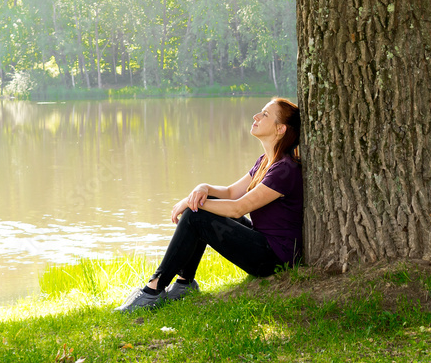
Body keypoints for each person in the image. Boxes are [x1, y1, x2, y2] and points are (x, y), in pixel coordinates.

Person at [114, 97, 303, 312]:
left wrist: (190, 202)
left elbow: (238, 208)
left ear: (280, 129)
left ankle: (153, 289)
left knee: (197, 214)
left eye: (265, 114)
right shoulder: (266, 161)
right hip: (265, 244)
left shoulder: (285, 170)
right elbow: (231, 193)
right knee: (205, 203)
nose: (256, 116)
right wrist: (203, 188)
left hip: (276, 258)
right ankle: (184, 284)